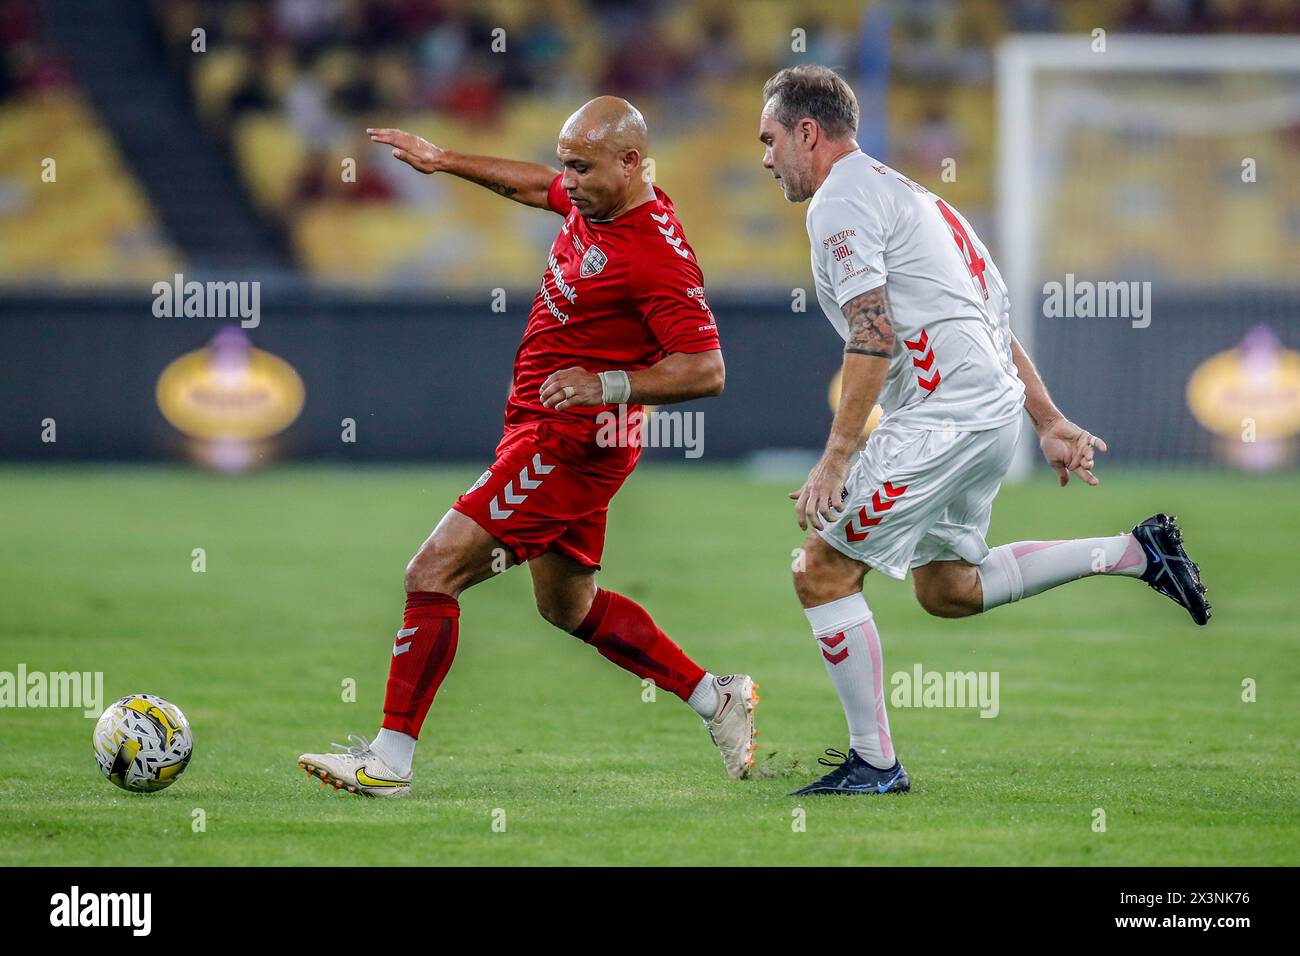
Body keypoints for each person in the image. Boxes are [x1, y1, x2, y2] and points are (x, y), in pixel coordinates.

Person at [757, 66, 1209, 797]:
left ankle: (875, 764)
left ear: (807, 132)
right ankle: (1133, 552)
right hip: (987, 412)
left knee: (821, 570)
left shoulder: (840, 200)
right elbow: (996, 325)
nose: (766, 157)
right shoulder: (925, 202)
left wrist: (836, 459)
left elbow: (871, 333)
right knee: (949, 590)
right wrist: (1048, 418)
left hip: (944, 419)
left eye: (771, 139)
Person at [298, 96, 758, 797]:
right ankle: (714, 698)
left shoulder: (654, 255)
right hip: (551, 430)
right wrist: (443, 159)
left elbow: (707, 370)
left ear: (631, 163)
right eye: (566, 163)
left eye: (580, 166)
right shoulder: (595, 199)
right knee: (568, 608)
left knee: (432, 573)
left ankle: (389, 760)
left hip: (570, 443)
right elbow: (531, 184)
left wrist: (605, 384)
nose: (565, 180)